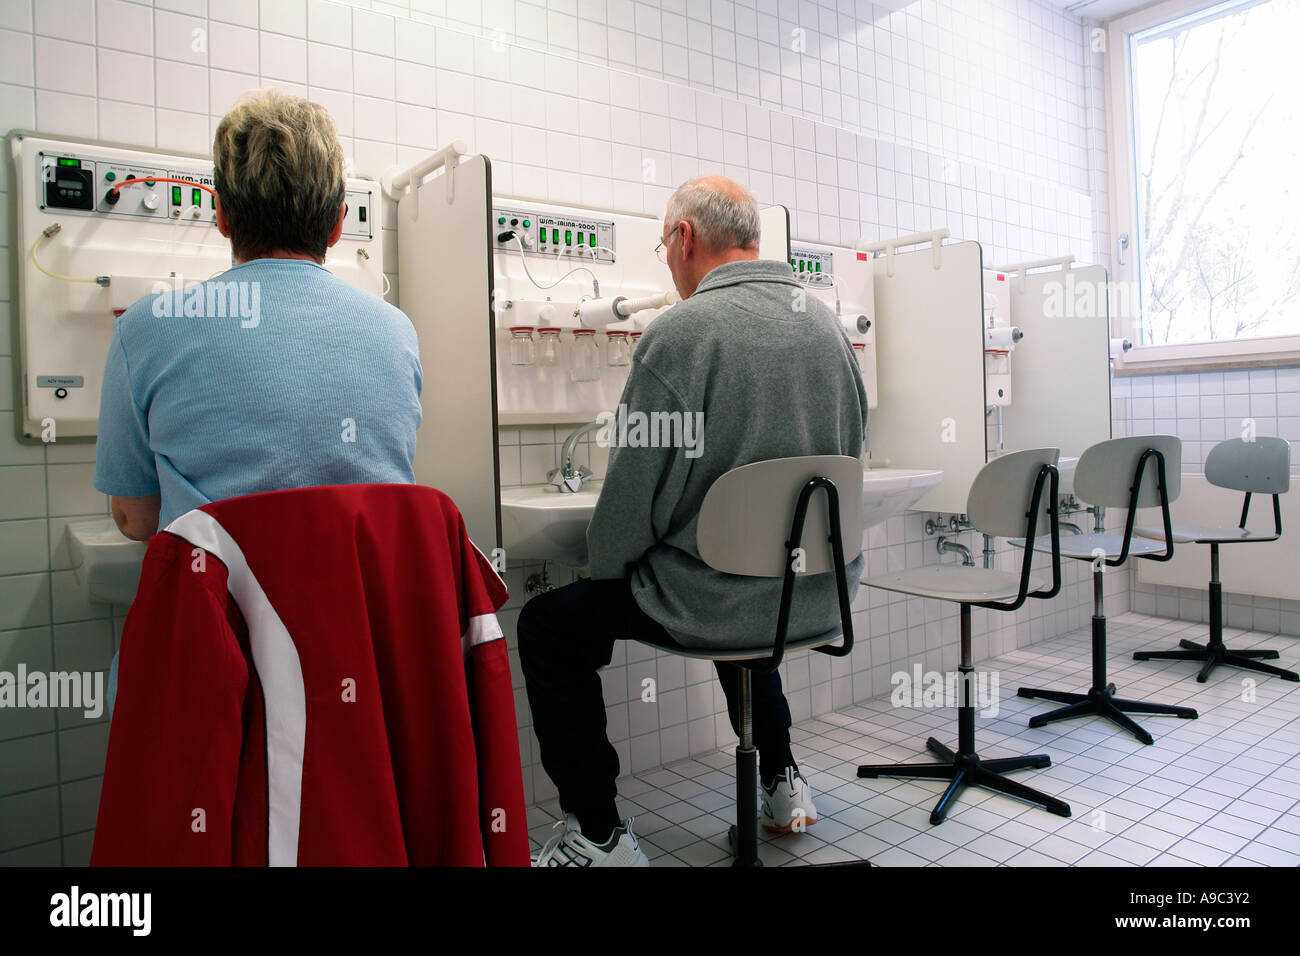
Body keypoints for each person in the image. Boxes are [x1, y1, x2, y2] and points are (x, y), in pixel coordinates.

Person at [519, 176, 868, 866]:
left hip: (722, 601)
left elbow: (625, 509)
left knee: (550, 626)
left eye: (663, 247)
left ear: (683, 238)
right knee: (747, 576)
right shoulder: (825, 322)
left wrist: (611, 572)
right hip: (819, 594)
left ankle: (599, 834)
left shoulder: (679, 333)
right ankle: (781, 779)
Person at [95, 89, 422, 712]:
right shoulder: (395, 329)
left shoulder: (146, 327)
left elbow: (136, 522)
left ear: (220, 215)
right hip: (358, 664)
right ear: (336, 221)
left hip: (212, 668)